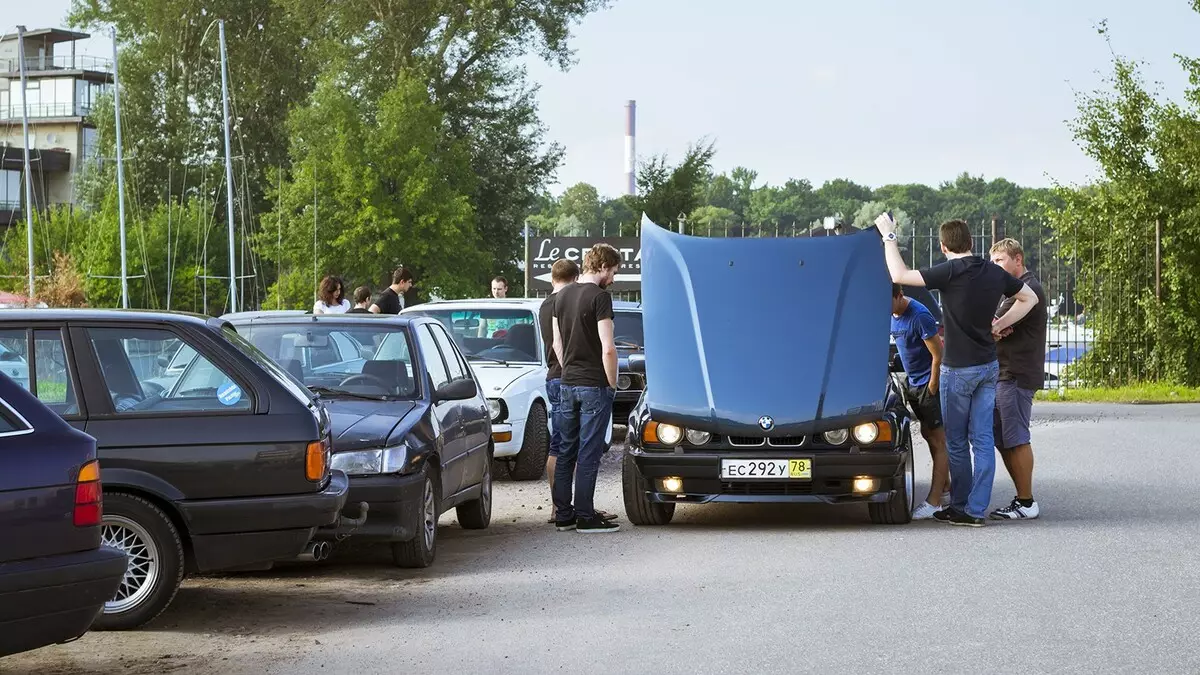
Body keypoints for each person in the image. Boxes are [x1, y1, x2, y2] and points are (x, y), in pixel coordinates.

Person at [875, 214, 1039, 527]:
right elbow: (1028, 298)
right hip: (989, 367)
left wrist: (889, 236)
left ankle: (960, 505)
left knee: (956, 442)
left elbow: (898, 273)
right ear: (972, 243)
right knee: (982, 439)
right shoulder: (992, 271)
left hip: (958, 369)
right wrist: (1000, 324)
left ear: (943, 246)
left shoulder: (948, 272)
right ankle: (977, 510)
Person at [551, 244, 621, 533]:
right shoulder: (600, 297)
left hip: (568, 382)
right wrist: (612, 383)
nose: (614, 278)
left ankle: (564, 515)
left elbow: (556, 344)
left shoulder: (561, 296)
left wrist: (569, 370)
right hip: (594, 384)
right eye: (614, 271)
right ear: (603, 266)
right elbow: (608, 348)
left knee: (566, 449)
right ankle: (586, 516)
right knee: (589, 452)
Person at [989, 238, 1047, 520]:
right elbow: (995, 324)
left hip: (1016, 373)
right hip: (1005, 373)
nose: (995, 267)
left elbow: (992, 325)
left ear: (1018, 259)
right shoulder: (1010, 292)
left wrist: (997, 325)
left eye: (1000, 261)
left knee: (1016, 438)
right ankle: (1021, 498)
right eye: (993, 262)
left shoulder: (1027, 290)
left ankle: (1026, 502)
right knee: (1003, 438)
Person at [890, 283, 950, 519]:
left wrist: (932, 385)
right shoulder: (892, 314)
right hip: (913, 382)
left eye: (889, 302)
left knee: (938, 440)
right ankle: (946, 487)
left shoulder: (920, 315)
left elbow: (938, 353)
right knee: (927, 434)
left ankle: (934, 501)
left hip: (926, 383)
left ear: (899, 295)